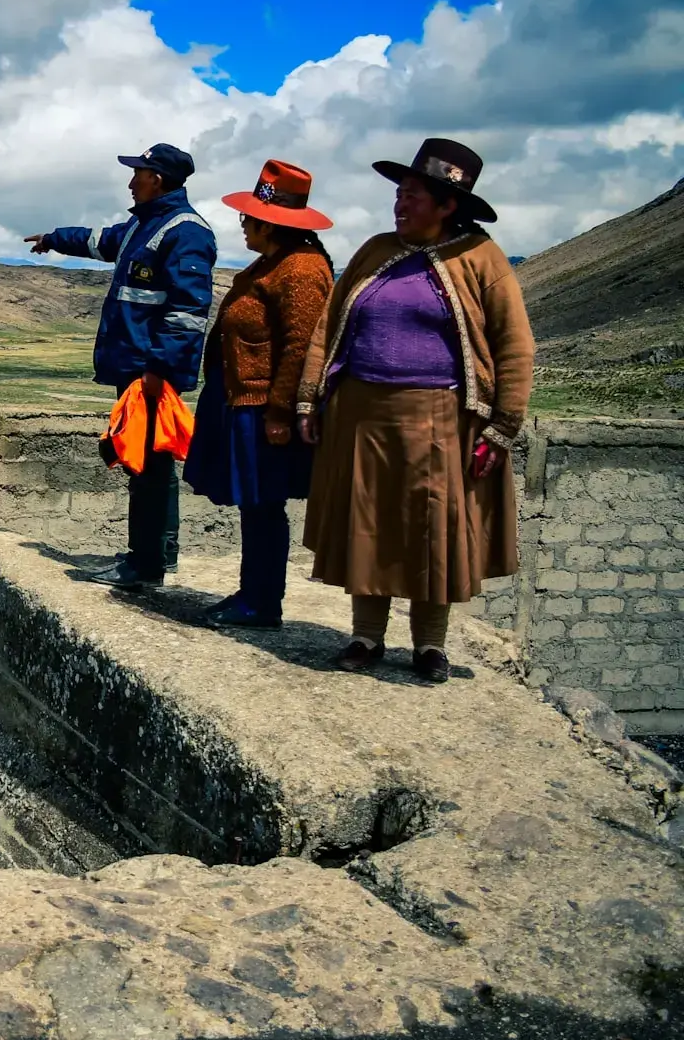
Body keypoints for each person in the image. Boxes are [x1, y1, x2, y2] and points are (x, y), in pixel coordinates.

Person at [295, 138, 533, 683]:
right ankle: (365, 636)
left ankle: (429, 644)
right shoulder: (376, 250)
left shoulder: (481, 258)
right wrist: (309, 398)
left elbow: (515, 345)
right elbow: (328, 324)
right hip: (360, 412)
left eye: (412, 196)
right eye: (399, 194)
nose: (399, 204)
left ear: (447, 205)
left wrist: (501, 428)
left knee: (434, 528)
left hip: (439, 415)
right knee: (367, 521)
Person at [26, 142, 217, 588]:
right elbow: (99, 241)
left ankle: (144, 564)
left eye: (138, 174)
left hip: (148, 371)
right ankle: (161, 552)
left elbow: (188, 312)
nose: (131, 183)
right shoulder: (142, 224)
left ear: (157, 180)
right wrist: (53, 239)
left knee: (145, 464)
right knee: (151, 461)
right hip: (137, 367)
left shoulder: (185, 232)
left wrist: (158, 369)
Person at [184, 161, 334, 630]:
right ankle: (253, 593)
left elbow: (301, 346)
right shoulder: (273, 263)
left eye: (248, 217)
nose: (243, 224)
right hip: (246, 401)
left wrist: (281, 412)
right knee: (255, 503)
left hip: (265, 408)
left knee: (264, 503)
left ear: (269, 223)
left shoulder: (301, 269)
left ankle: (262, 602)